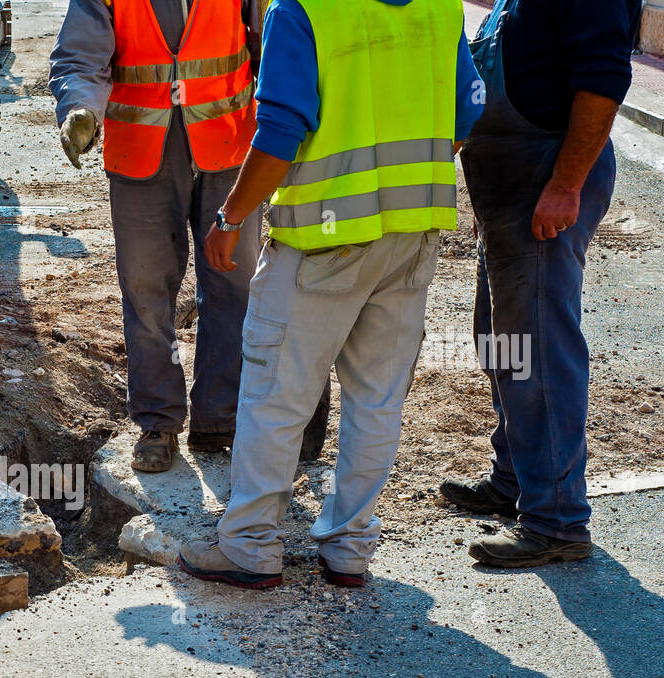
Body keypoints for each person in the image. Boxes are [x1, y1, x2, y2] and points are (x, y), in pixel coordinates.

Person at [178, 0, 484, 590]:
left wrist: (231, 215)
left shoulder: (304, 10)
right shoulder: (440, 8)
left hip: (324, 243)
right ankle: (349, 550)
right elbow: (468, 110)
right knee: (377, 401)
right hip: (411, 236)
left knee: (275, 396)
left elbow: (281, 133)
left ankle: (247, 545)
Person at [51, 0, 297, 473]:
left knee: (233, 285)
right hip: (141, 155)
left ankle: (220, 418)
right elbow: (80, 55)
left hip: (229, 150)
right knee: (146, 291)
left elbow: (272, 40)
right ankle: (158, 421)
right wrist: (79, 106)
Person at [441, 0, 640, 568]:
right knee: (501, 343)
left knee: (539, 357)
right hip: (508, 189)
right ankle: (514, 479)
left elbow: (602, 79)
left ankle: (556, 520)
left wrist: (566, 183)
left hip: (545, 178)